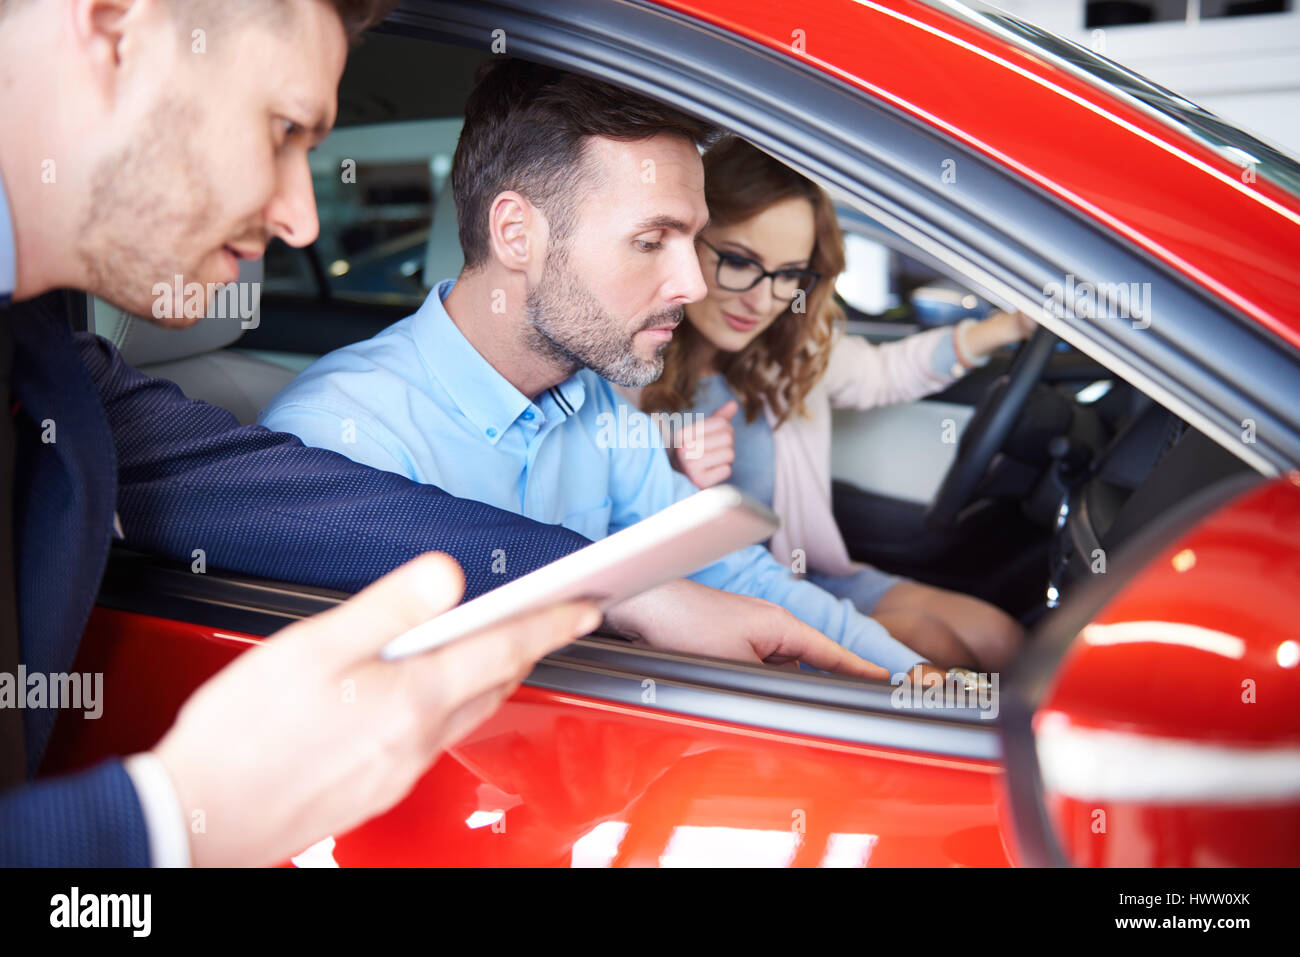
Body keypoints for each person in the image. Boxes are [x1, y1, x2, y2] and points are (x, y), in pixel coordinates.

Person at [0, 0, 860, 868]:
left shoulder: (50, 368)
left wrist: (632, 594)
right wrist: (169, 817)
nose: (301, 221)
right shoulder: (346, 413)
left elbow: (285, 493)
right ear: (113, 25)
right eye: (284, 127)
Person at [260, 59, 945, 680]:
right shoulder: (344, 438)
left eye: (691, 240)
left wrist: (914, 681)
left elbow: (736, 571)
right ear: (516, 234)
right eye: (651, 242)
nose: (693, 284)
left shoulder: (600, 413)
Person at [638, 137, 1033, 670]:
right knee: (934, 650)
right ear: (689, 239)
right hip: (725, 598)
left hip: (807, 574)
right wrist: (674, 469)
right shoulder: (628, 367)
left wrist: (1012, 326)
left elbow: (888, 371)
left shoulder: (787, 357)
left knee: (1003, 639)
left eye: (788, 275)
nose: (763, 299)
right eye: (738, 261)